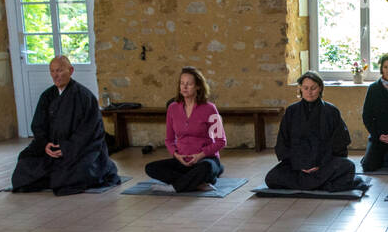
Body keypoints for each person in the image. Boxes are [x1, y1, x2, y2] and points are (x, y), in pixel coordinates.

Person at [11, 55, 121, 195]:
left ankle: (55, 179)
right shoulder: (47, 96)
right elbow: (38, 125)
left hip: (77, 149)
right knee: (24, 162)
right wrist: (45, 144)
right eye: (52, 71)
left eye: (60, 71)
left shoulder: (84, 97)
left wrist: (66, 148)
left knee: (77, 171)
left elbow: (89, 131)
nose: (56, 75)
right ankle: (52, 178)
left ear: (71, 70)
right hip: (51, 148)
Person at [265, 72, 359, 192]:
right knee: (271, 178)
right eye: (306, 88)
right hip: (297, 166)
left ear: (320, 88)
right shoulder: (291, 111)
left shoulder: (331, 111)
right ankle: (322, 185)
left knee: (348, 166)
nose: (309, 92)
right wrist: (300, 165)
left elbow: (339, 144)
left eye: (313, 88)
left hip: (323, 165)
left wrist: (320, 164)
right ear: (300, 89)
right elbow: (283, 142)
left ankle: (308, 184)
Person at [144, 67, 226, 192]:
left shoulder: (210, 108)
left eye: (189, 84)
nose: (184, 87)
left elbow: (221, 141)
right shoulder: (172, 108)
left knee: (208, 167)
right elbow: (169, 139)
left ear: (198, 86)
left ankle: (175, 187)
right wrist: (176, 155)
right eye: (182, 83)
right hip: (182, 160)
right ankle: (198, 183)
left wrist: (200, 156)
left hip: (204, 159)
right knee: (150, 168)